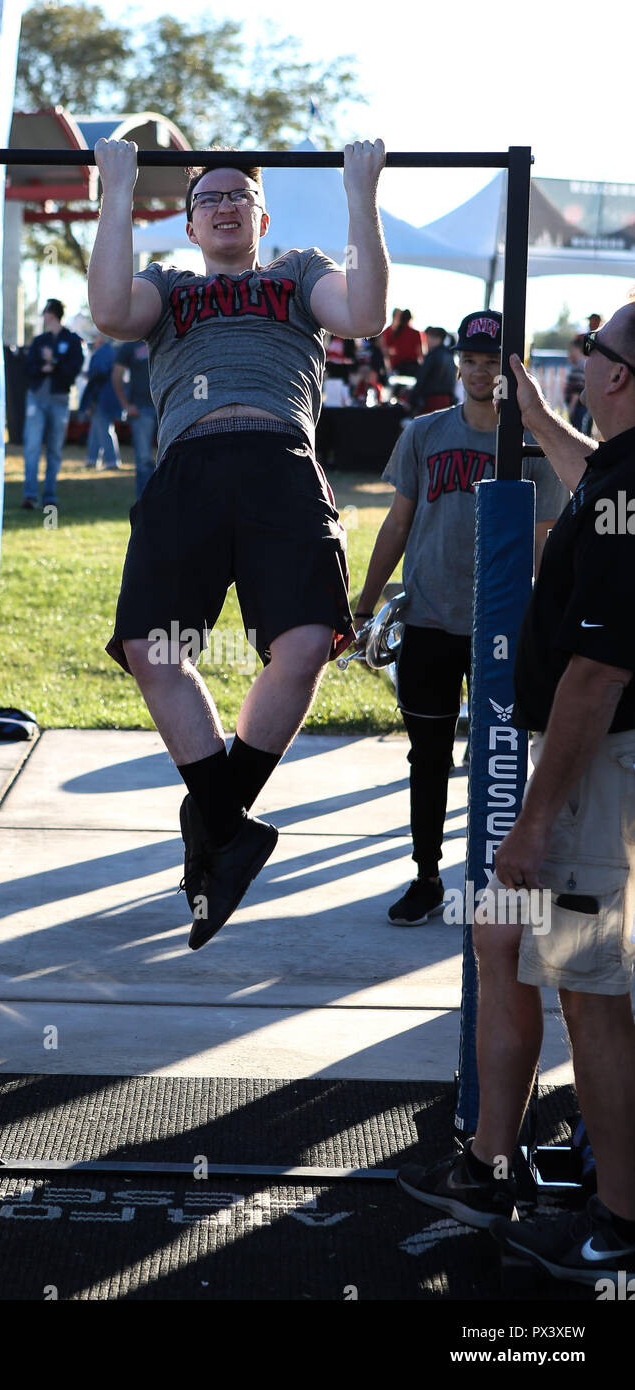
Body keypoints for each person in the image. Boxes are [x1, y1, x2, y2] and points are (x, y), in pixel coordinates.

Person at [89, 136, 388, 950]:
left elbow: (364, 316)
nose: (224, 205)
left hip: (279, 464)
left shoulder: (295, 273)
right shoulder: (170, 289)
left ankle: (217, 828)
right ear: (189, 225)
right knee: (154, 648)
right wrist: (116, 193)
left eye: (237, 195)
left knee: (304, 645)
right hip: (187, 468)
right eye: (207, 199)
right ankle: (231, 831)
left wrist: (362, 194)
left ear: (262, 214)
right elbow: (111, 313)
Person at [398, 303, 635, 1288]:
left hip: (592, 769)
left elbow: (593, 675)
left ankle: (618, 1223)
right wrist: (532, 409)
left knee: (589, 997)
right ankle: (487, 1167)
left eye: (591, 349)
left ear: (616, 374)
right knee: (498, 932)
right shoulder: (616, 472)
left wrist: (533, 821)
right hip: (583, 765)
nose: (577, 359)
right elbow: (584, 477)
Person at [352, 310, 570, 925]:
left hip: (502, 628)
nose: (480, 371)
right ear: (458, 364)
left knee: (503, 753)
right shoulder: (423, 434)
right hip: (429, 621)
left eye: (493, 361)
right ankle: (425, 875)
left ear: (513, 369)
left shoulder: (531, 442)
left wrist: (538, 615)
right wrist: (367, 605)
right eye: (471, 360)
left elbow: (546, 537)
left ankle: (506, 875)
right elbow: (397, 522)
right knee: (427, 756)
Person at [22, 298, 83, 510]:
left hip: (59, 400)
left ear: (52, 314)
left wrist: (54, 362)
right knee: (32, 446)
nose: (43, 316)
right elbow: (28, 368)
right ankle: (30, 496)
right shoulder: (40, 341)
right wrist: (43, 368)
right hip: (36, 399)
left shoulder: (73, 340)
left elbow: (74, 370)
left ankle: (49, 495)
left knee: (54, 449)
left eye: (45, 312)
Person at [111, 338, 157, 497]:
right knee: (144, 460)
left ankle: (168, 502)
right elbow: (117, 376)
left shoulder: (165, 335)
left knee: (171, 456)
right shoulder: (130, 344)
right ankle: (145, 504)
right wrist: (126, 405)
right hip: (141, 408)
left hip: (167, 407)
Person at [81, 334, 121, 470]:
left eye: (97, 337)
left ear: (103, 339)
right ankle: (92, 460)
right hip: (106, 396)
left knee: (104, 429)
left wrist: (90, 397)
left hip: (102, 397)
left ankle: (112, 462)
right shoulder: (110, 351)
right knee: (97, 429)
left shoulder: (104, 352)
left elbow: (99, 373)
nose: (94, 339)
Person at [410, 325, 456, 414]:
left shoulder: (433, 355)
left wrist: (411, 400)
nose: (427, 341)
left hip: (432, 402)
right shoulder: (450, 355)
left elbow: (421, 378)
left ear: (437, 339)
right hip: (448, 402)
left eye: (429, 338)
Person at [385, 308, 424, 378]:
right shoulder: (415, 333)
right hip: (412, 368)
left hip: (397, 367)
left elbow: (387, 351)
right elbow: (421, 353)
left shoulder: (394, 332)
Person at [564, 333, 587, 432]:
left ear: (577, 350)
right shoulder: (579, 364)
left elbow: (577, 390)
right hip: (578, 404)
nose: (569, 353)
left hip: (577, 405)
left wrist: (572, 407)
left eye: (570, 350)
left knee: (577, 430)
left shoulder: (579, 365)